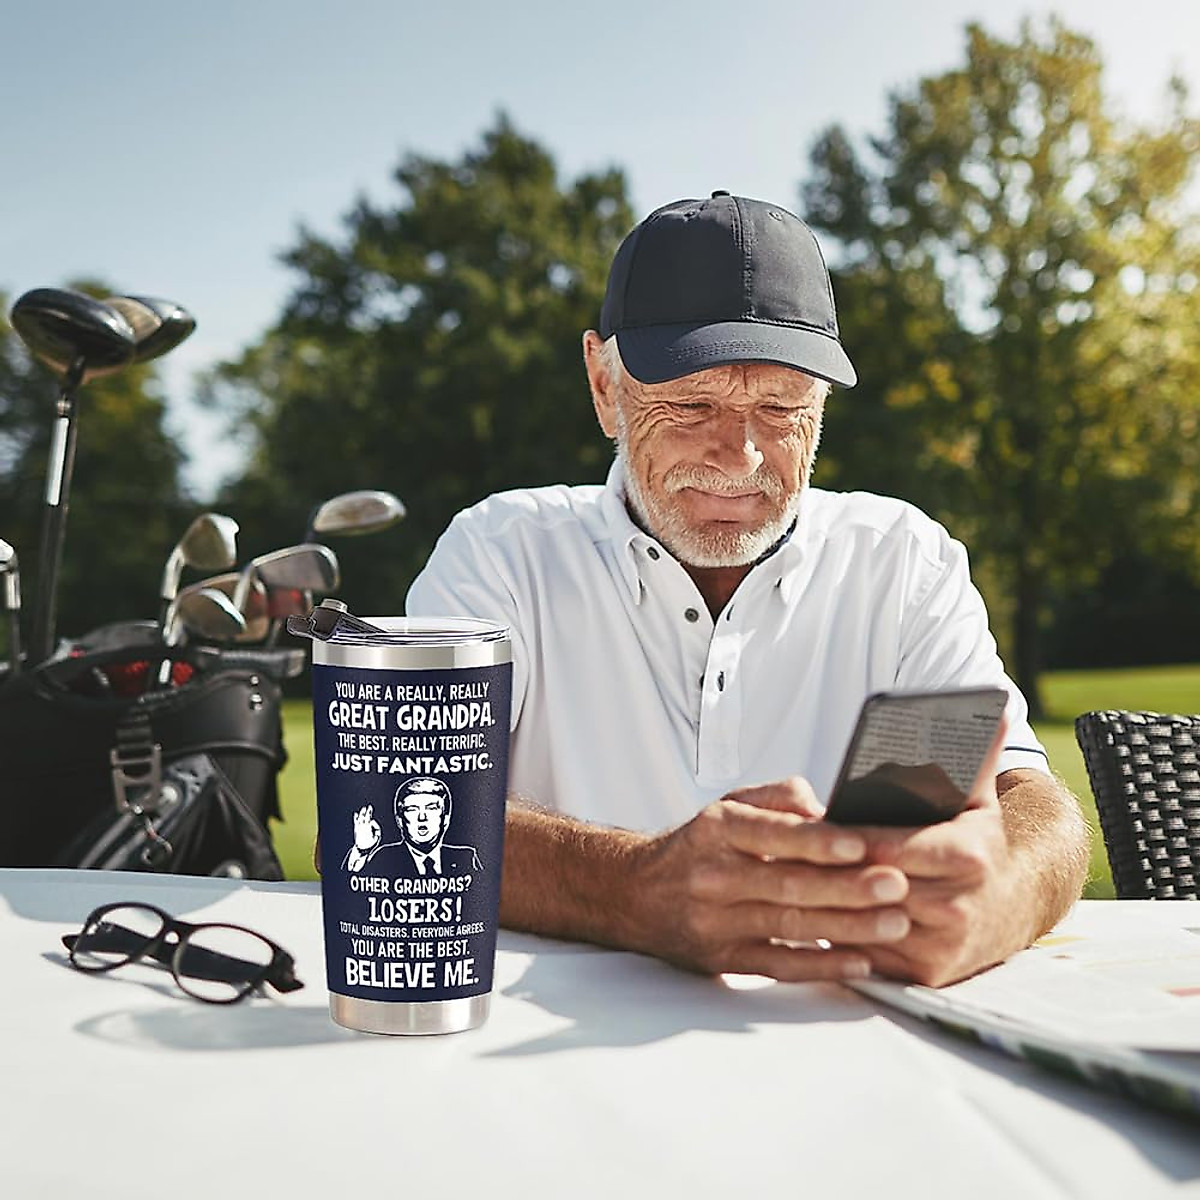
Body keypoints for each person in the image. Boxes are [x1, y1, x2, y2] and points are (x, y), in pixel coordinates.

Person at [406, 190, 1090, 987]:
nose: (740, 455)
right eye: (692, 404)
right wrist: (629, 890)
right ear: (603, 385)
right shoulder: (505, 554)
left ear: (824, 404)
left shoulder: (899, 564)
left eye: (781, 407)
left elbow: (1023, 796)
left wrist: (997, 901)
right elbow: (382, 812)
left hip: (837, 1054)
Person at [344, 777, 481, 877]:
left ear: (445, 818)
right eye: (412, 809)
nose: (422, 817)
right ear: (400, 820)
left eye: (431, 808)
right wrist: (361, 851)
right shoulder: (384, 857)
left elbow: (485, 892)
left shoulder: (466, 857)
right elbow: (345, 892)